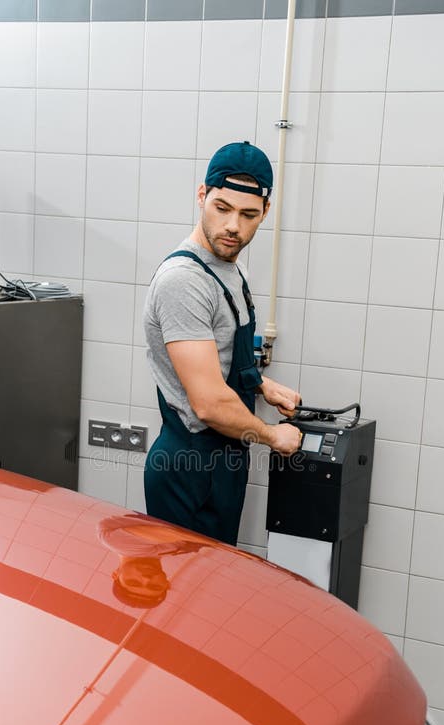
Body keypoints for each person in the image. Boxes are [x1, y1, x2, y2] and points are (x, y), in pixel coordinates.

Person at [143, 141, 302, 546]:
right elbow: (209, 403)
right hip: (189, 464)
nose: (234, 225)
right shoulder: (185, 280)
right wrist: (270, 435)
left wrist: (260, 385)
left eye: (248, 214)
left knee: (214, 590)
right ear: (202, 196)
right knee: (184, 598)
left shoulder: (232, 268)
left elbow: (225, 351)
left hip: (225, 459)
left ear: (264, 212)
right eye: (222, 208)